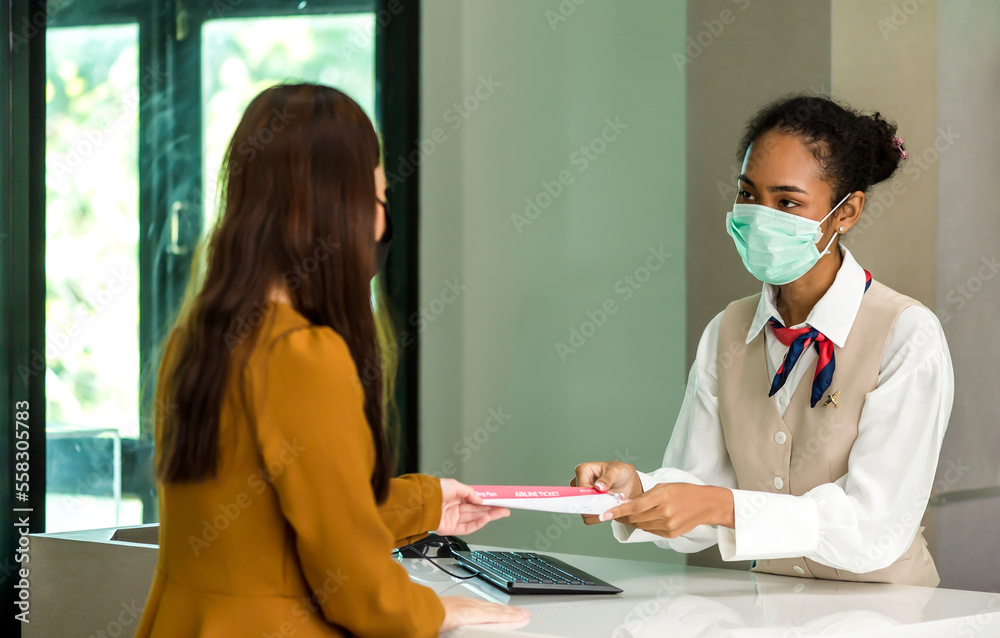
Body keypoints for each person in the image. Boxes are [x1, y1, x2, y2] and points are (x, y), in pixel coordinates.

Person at [135, 83, 528, 637]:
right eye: (379, 201)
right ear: (338, 210)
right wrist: (436, 610)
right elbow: (354, 586)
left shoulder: (196, 339)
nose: (382, 224)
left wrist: (426, 503)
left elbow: (270, 521)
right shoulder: (302, 353)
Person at [573, 96, 953, 587]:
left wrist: (719, 506)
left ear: (847, 212)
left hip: (890, 614)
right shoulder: (727, 331)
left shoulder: (906, 333)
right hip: (771, 605)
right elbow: (701, 490)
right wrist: (635, 491)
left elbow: (872, 527)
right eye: (748, 194)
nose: (759, 217)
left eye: (787, 202)